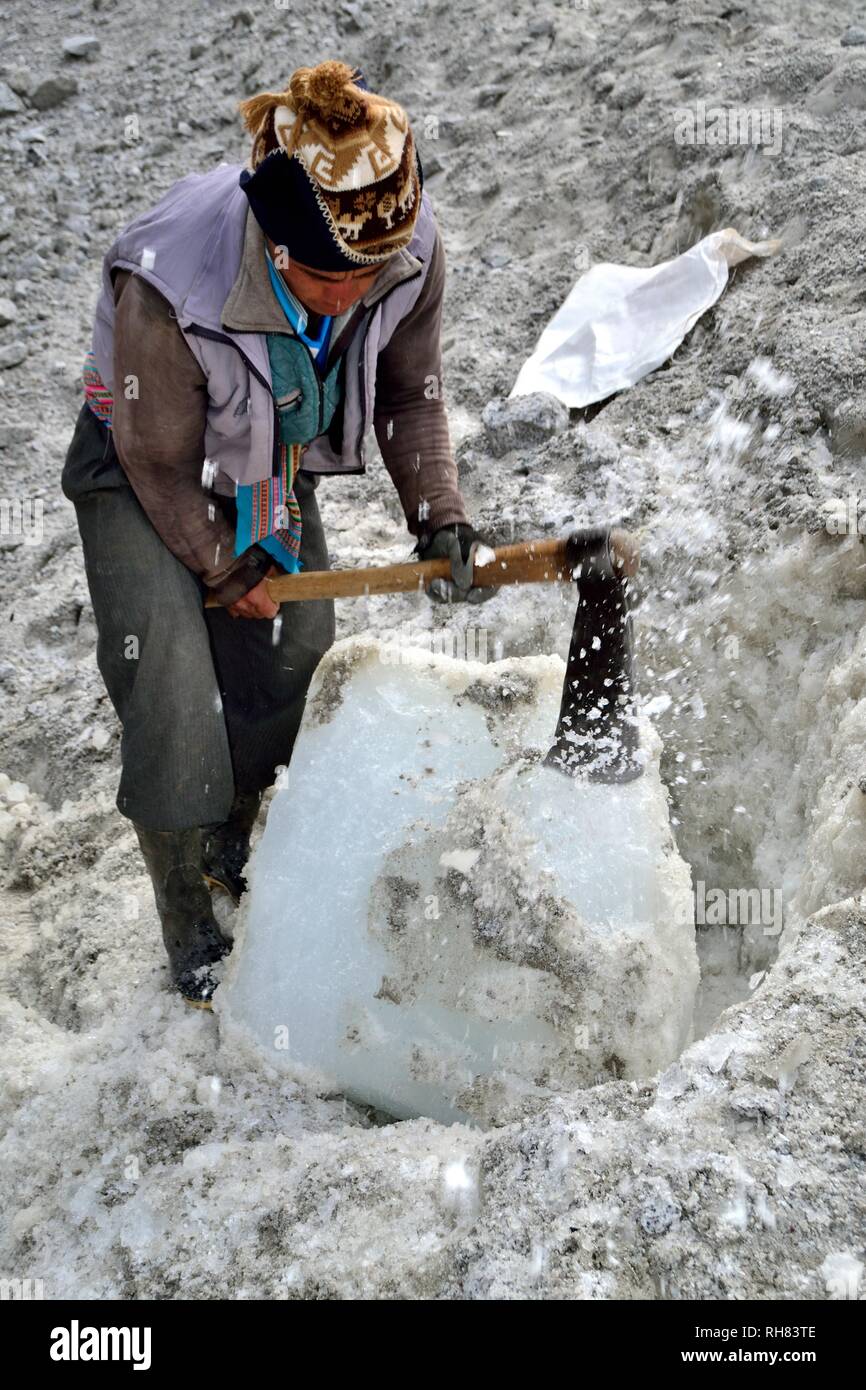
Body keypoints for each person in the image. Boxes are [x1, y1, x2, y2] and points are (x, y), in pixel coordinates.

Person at [62, 59, 491, 1008]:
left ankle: (234, 835)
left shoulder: (400, 243)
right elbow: (161, 467)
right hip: (140, 465)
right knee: (170, 683)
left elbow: (412, 393)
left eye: (373, 273)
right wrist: (222, 566)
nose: (356, 293)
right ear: (275, 237)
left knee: (296, 644)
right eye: (333, 277)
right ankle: (188, 922)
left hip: (264, 453)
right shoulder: (170, 284)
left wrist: (442, 519)